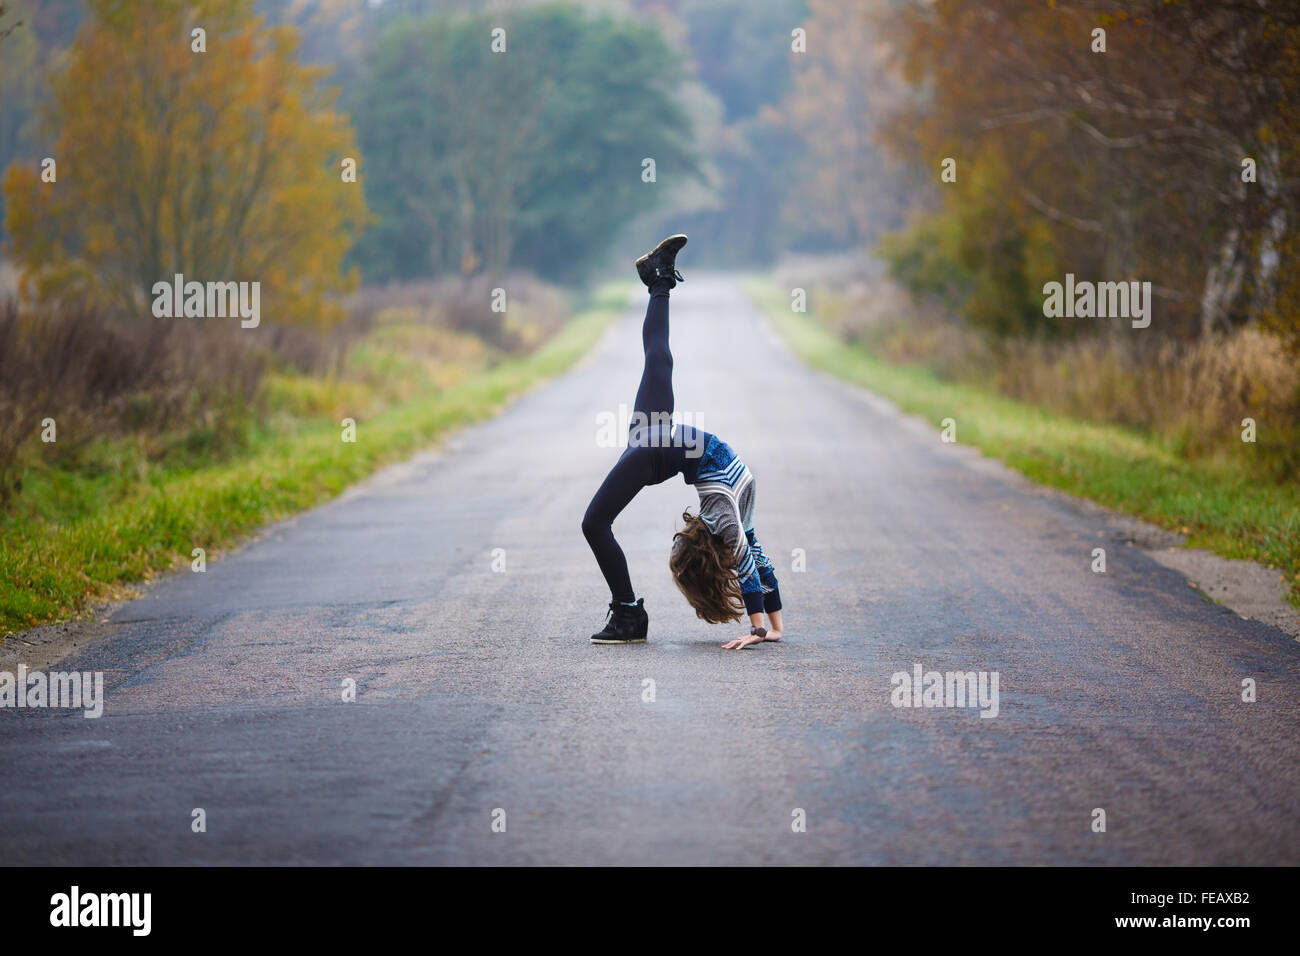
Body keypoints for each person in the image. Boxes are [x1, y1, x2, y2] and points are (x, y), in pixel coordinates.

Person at [581, 235, 784, 649]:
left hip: (656, 449)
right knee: (659, 359)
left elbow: (749, 563)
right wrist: (770, 628)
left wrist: (762, 628)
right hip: (657, 441)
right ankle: (658, 278)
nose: (733, 555)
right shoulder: (734, 523)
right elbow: (755, 561)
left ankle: (628, 614)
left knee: (594, 524)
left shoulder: (724, 516)